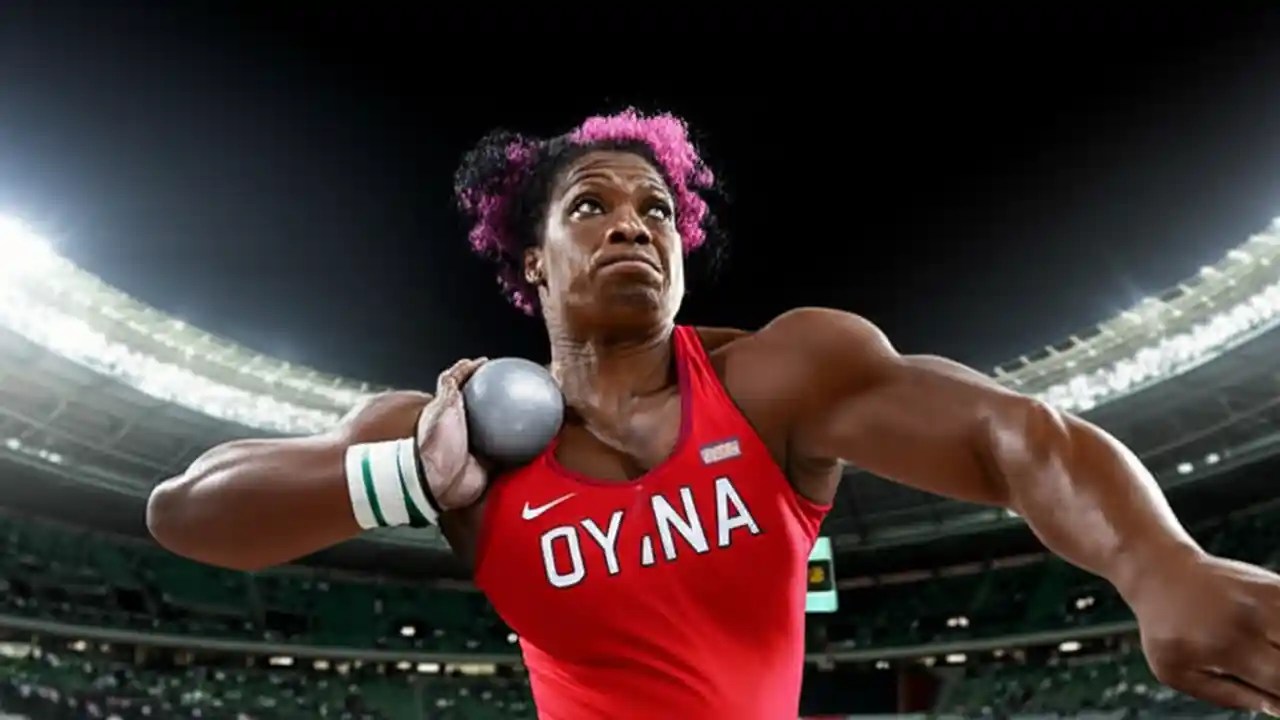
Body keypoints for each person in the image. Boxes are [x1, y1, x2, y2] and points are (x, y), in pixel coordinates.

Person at [147, 108, 1280, 719]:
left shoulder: (779, 381)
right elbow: (187, 510)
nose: (631, 225)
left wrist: (1155, 563)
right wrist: (409, 478)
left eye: (655, 210)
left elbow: (1012, 434)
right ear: (530, 263)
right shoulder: (453, 439)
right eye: (589, 207)